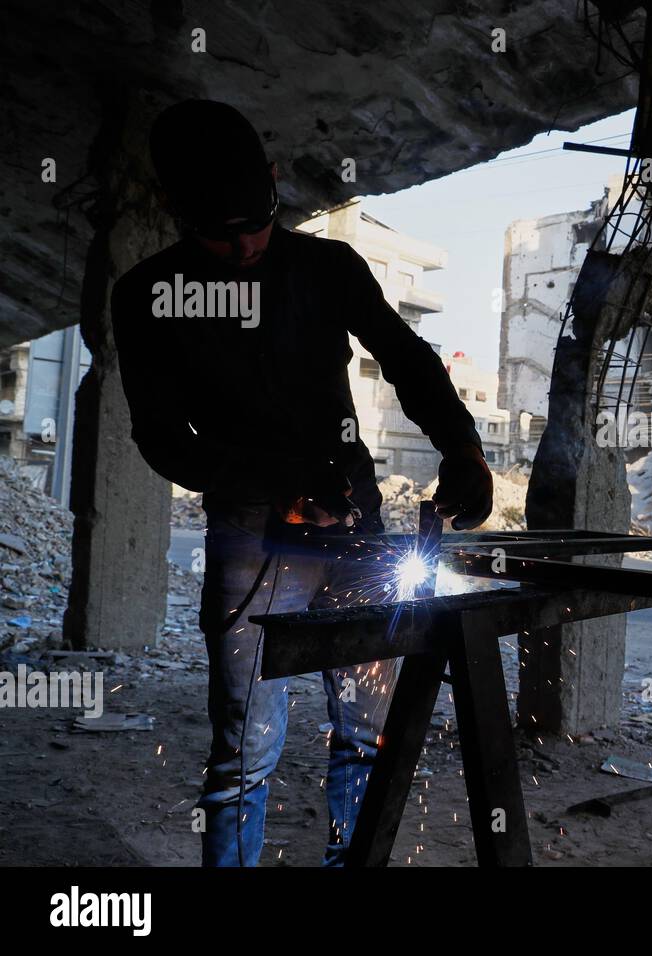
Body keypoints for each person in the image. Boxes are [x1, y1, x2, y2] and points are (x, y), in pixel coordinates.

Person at [112, 99, 493, 866]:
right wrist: (277, 479)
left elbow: (407, 358)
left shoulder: (326, 267)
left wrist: (462, 447)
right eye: (221, 233)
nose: (246, 244)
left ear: (278, 185)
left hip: (355, 522)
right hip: (253, 537)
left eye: (259, 220)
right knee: (244, 754)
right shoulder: (149, 295)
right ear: (173, 209)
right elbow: (161, 439)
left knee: (365, 735)